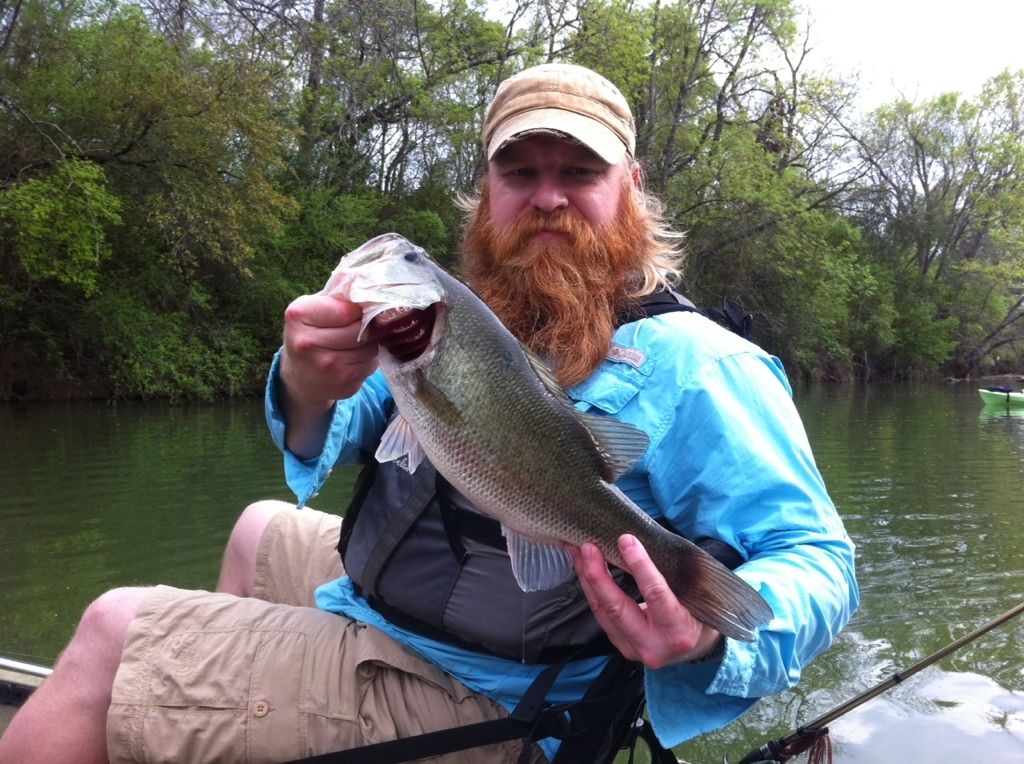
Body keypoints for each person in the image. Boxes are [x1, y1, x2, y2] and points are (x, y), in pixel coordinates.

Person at [0, 63, 858, 763]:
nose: (547, 198)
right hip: (401, 615)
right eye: (520, 173)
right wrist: (306, 383)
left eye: (579, 172)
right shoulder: (470, 321)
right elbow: (324, 436)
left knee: (113, 635)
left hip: (499, 702)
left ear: (630, 186)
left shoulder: (704, 365)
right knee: (258, 528)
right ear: (487, 192)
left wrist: (709, 642)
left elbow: (818, 559)